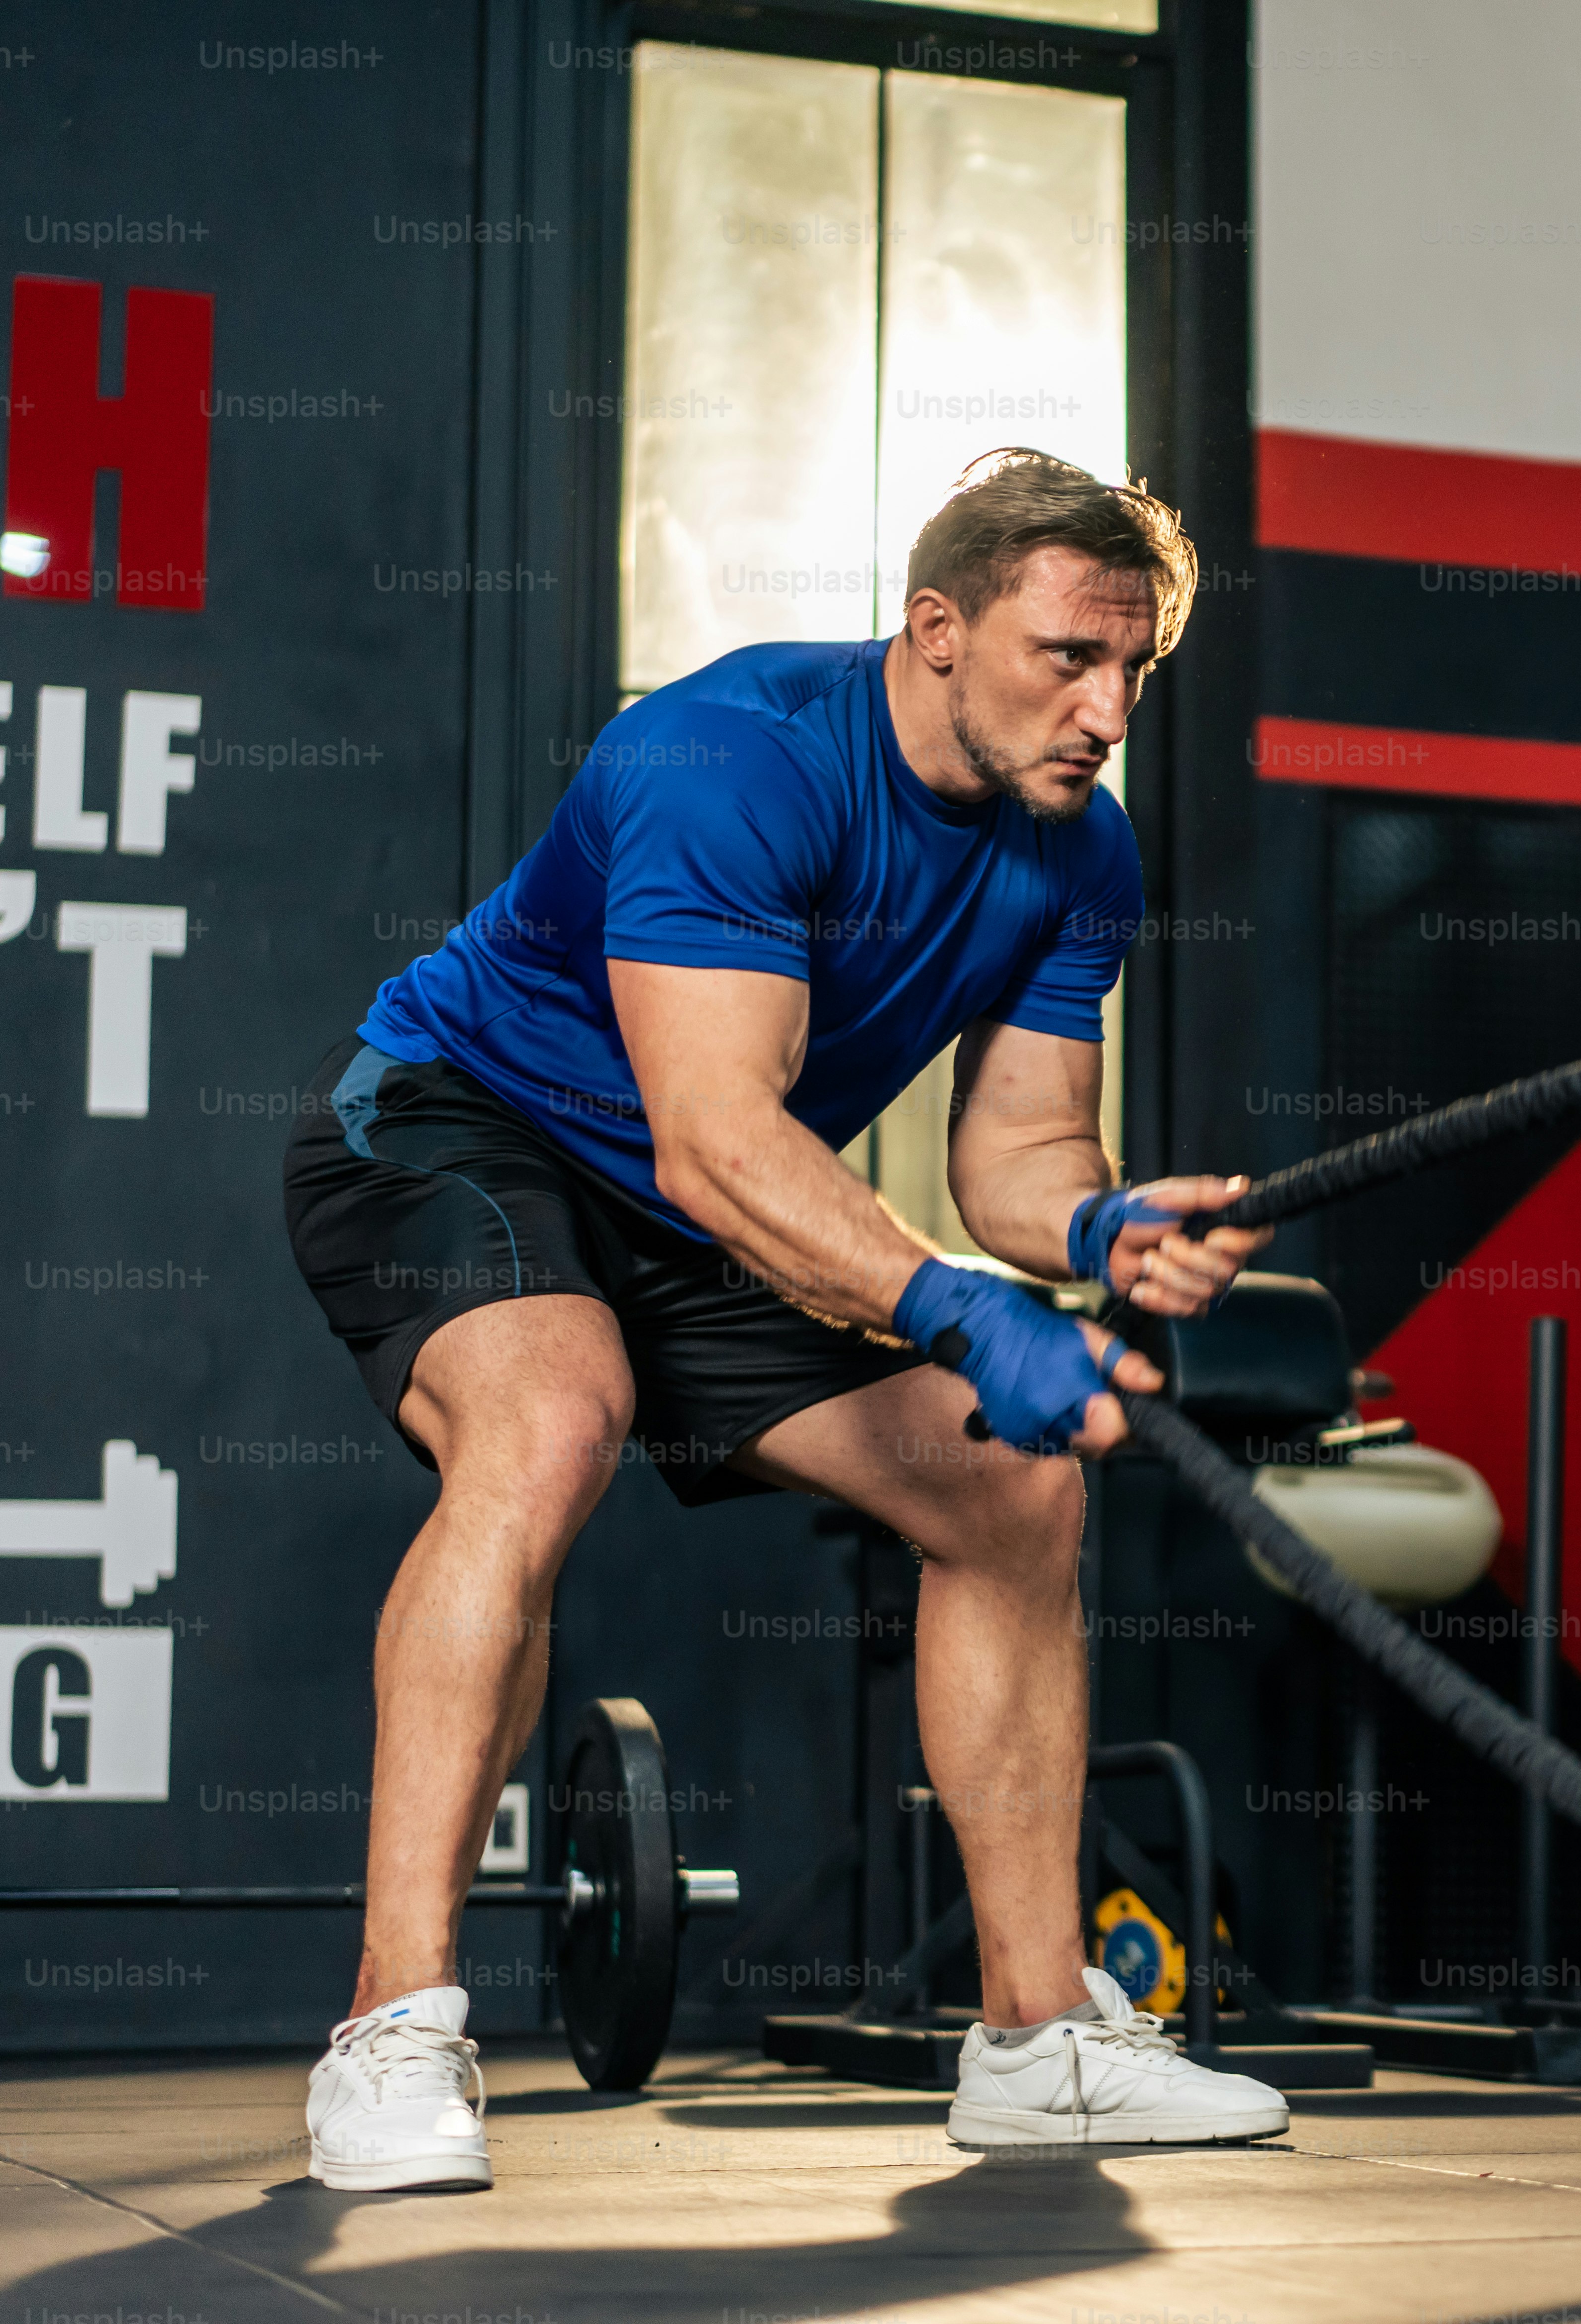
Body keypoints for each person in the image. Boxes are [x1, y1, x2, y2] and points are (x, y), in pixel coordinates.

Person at [282, 450, 1282, 2189]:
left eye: (1137, 671)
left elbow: (1020, 1153)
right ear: (937, 628)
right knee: (552, 1419)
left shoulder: (1080, 849)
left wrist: (1100, 1226)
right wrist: (969, 1316)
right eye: (1070, 657)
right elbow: (718, 1136)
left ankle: (1039, 2036)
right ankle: (396, 2021)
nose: (1109, 707)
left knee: (1014, 1487)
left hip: (700, 1197)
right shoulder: (726, 757)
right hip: (459, 1122)